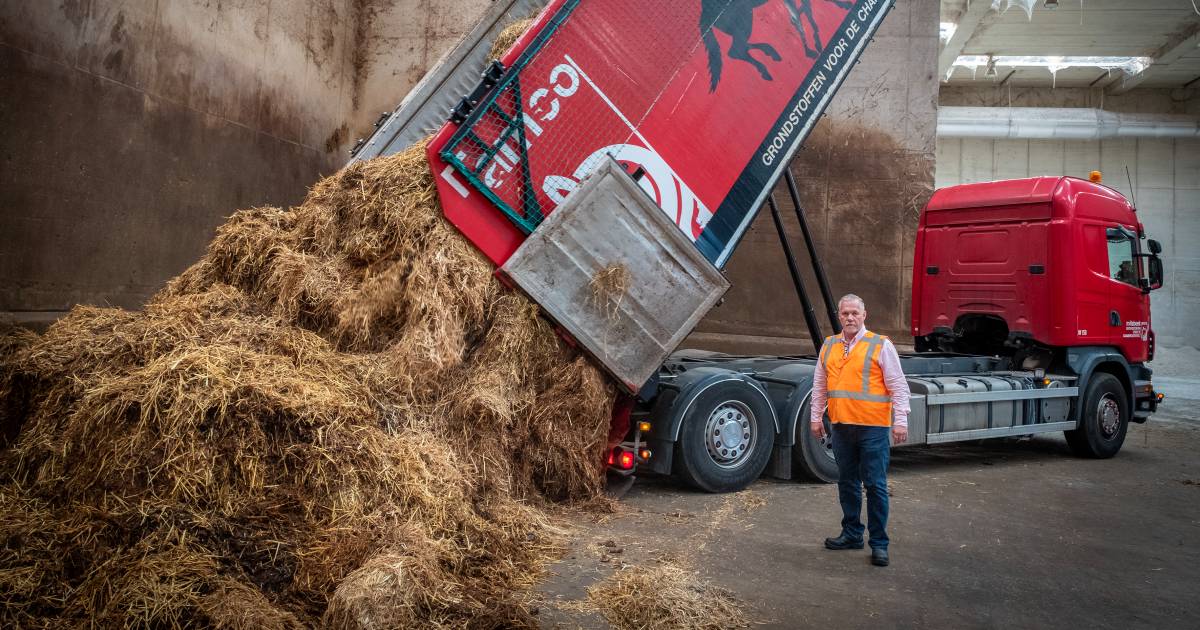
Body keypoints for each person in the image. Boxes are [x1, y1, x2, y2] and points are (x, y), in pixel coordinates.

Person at [810, 294, 910, 567]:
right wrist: (815, 417)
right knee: (847, 482)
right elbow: (820, 386)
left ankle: (879, 544)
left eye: (855, 313)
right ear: (838, 316)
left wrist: (900, 420)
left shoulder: (880, 345)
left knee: (875, 485)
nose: (850, 318)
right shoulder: (829, 346)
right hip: (841, 427)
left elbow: (898, 386)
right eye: (845, 314)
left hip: (873, 429)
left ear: (864, 315)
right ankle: (852, 533)